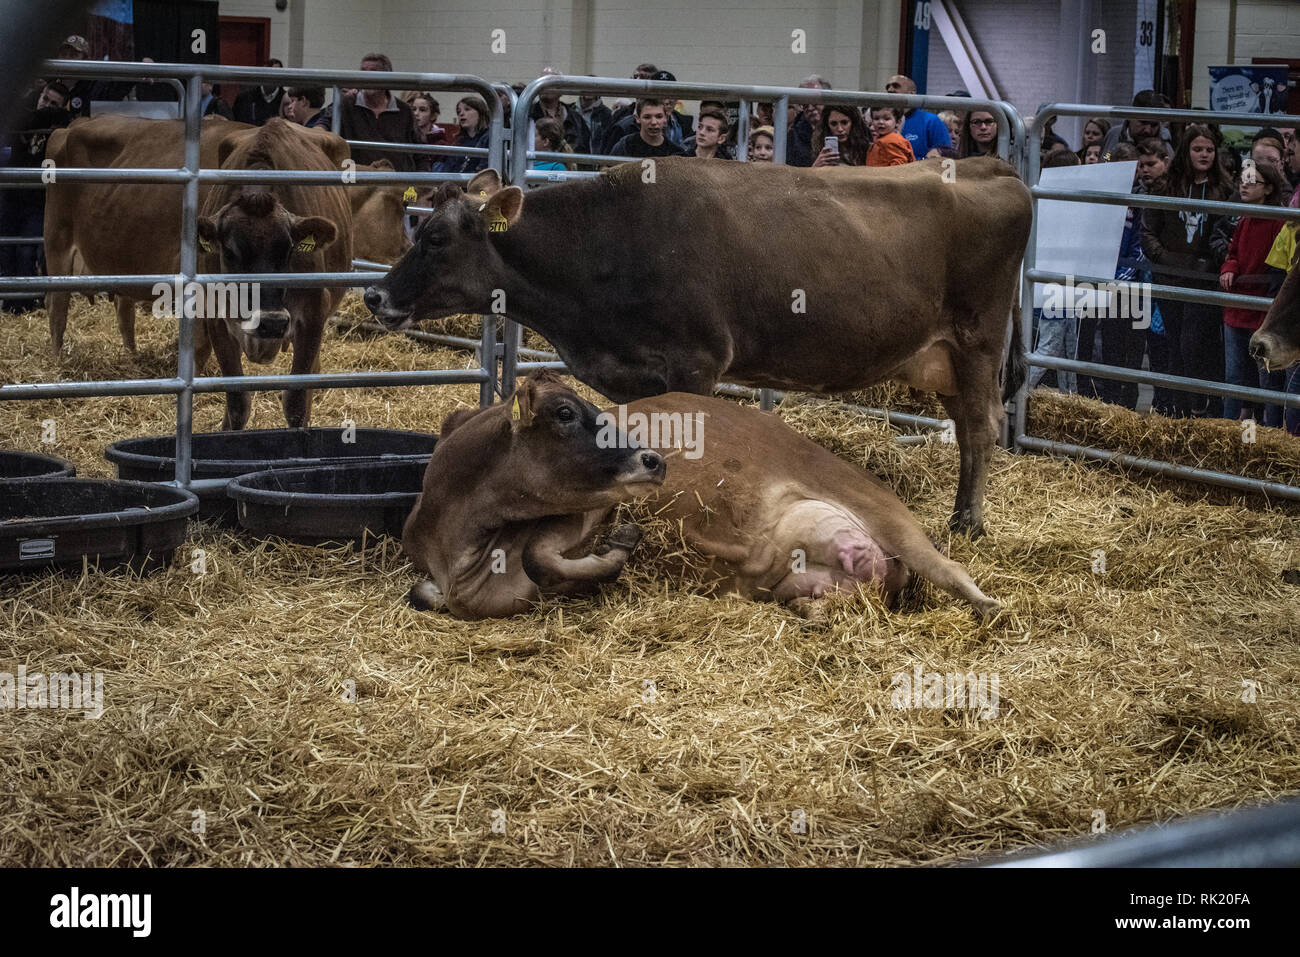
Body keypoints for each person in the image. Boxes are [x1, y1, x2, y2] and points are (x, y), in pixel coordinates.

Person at [1140, 124, 1233, 418]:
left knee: (1195, 344)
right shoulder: (1166, 185)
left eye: (1208, 150)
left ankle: (1201, 405)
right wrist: (1165, 259)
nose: (1204, 154)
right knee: (1175, 345)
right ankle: (1179, 411)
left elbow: (1227, 232)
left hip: (1205, 281)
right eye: (1197, 149)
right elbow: (1148, 231)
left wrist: (1213, 263)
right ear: (1186, 151)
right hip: (1170, 277)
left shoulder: (1224, 187)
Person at [1219, 160, 1291, 425]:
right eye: (1242, 180)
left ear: (1269, 188)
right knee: (1234, 374)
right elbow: (1233, 251)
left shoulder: (1279, 221)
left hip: (1262, 308)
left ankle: (1270, 431)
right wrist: (1229, 266)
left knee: (1266, 377)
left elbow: (1278, 266)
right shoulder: (1244, 218)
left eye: (1252, 181)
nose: (1244, 186)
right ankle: (1228, 428)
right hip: (1238, 305)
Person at [336, 53, 422, 172]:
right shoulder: (347, 104)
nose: (367, 76)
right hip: (357, 180)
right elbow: (325, 120)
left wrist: (422, 181)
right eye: (363, 71)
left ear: (387, 78)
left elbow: (420, 150)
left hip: (395, 182)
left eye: (373, 71)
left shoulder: (404, 111)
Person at [885, 74, 951, 158]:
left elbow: (946, 155)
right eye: (887, 87)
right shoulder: (882, 122)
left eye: (896, 86)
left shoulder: (931, 121)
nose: (890, 90)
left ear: (912, 93)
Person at [530, 67, 591, 154]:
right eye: (542, 83)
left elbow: (584, 150)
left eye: (550, 83)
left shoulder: (576, 119)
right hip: (534, 166)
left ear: (561, 89)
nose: (545, 87)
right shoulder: (526, 115)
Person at [1101, 90, 1172, 156]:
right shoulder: (1114, 135)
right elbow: (1106, 158)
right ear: (1130, 116)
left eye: (1154, 125)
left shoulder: (1165, 149)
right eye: (1143, 122)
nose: (1147, 130)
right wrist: (1109, 159)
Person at [435, 96, 492, 174]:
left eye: (467, 109)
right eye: (458, 111)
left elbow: (484, 170)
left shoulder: (490, 138)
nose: (461, 114)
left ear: (481, 112)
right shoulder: (459, 141)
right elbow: (448, 168)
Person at [609, 99, 685, 158]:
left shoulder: (675, 152)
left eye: (659, 116)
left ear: (666, 118)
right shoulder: (625, 146)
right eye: (647, 117)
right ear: (638, 118)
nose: (654, 122)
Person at [786, 74, 830, 167]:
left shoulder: (841, 128)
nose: (810, 108)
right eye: (805, 104)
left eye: (815, 101)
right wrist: (814, 168)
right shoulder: (793, 137)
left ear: (828, 100)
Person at [233, 59, 285, 126]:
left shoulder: (286, 100)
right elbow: (236, 124)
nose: (271, 77)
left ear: (281, 77)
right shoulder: (244, 98)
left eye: (275, 73)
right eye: (267, 73)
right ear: (262, 75)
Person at [578, 88, 612, 156]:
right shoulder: (571, 110)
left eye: (593, 87)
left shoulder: (606, 114)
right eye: (586, 86)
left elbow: (608, 141)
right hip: (572, 157)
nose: (589, 90)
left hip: (594, 159)